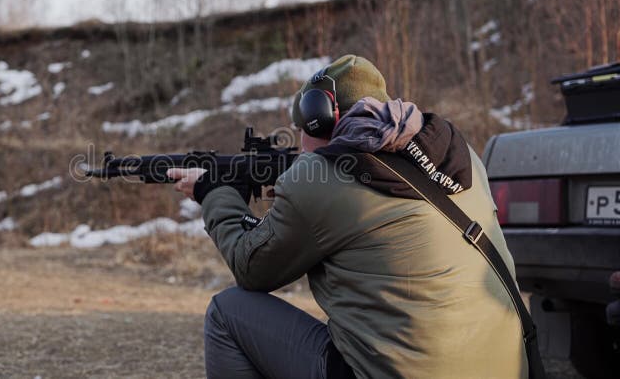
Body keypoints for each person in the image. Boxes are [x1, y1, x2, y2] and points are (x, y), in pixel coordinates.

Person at [167, 54, 527, 379]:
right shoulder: (460, 153)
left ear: (319, 118)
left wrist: (214, 193)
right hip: (506, 369)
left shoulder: (324, 180)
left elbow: (251, 268)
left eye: (303, 128)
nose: (301, 143)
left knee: (227, 312)